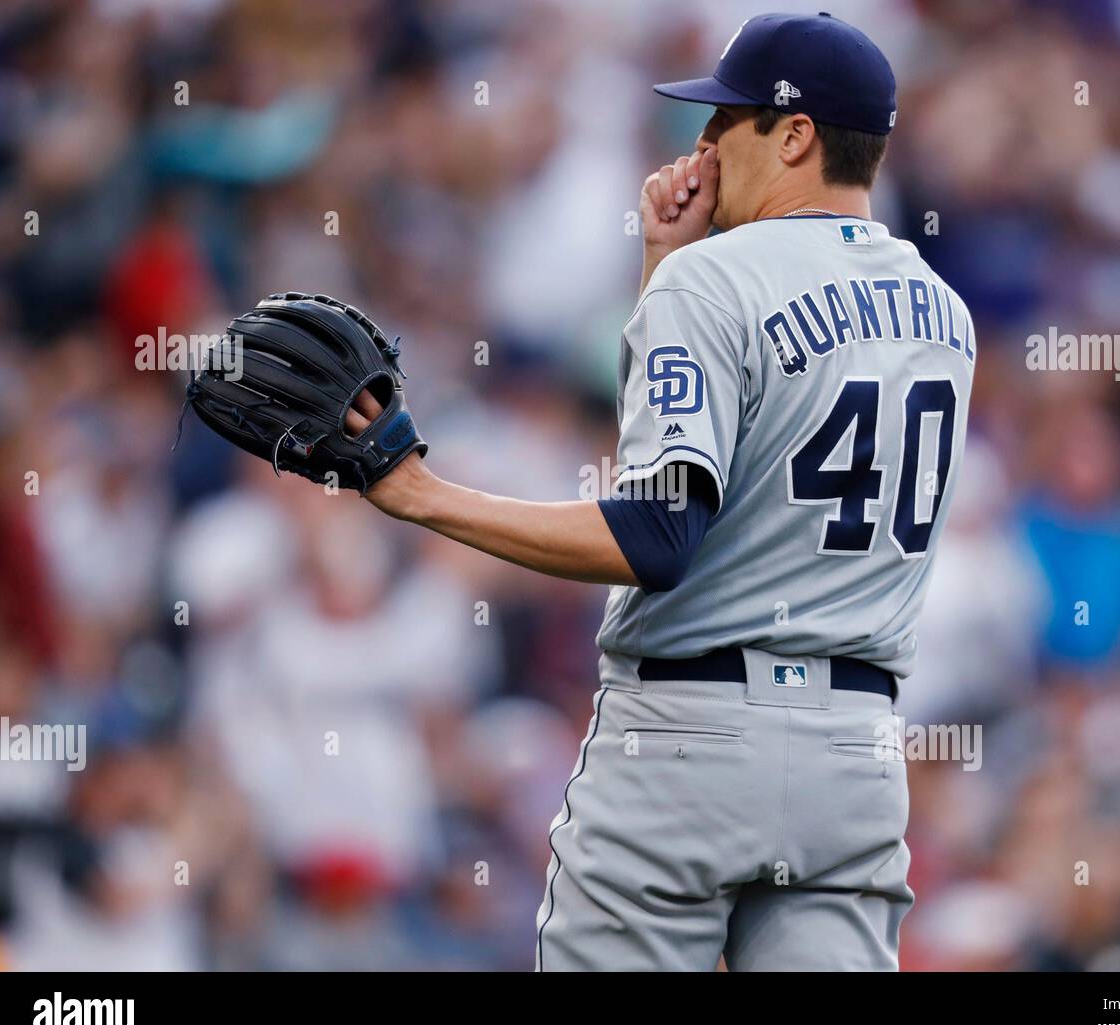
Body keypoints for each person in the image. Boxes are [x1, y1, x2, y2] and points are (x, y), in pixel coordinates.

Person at [351, 12, 976, 971]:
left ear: (795, 135)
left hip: (690, 739)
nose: (704, 144)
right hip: (855, 756)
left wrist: (422, 495)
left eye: (727, 120)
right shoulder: (945, 312)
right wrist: (662, 269)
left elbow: (657, 532)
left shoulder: (714, 281)